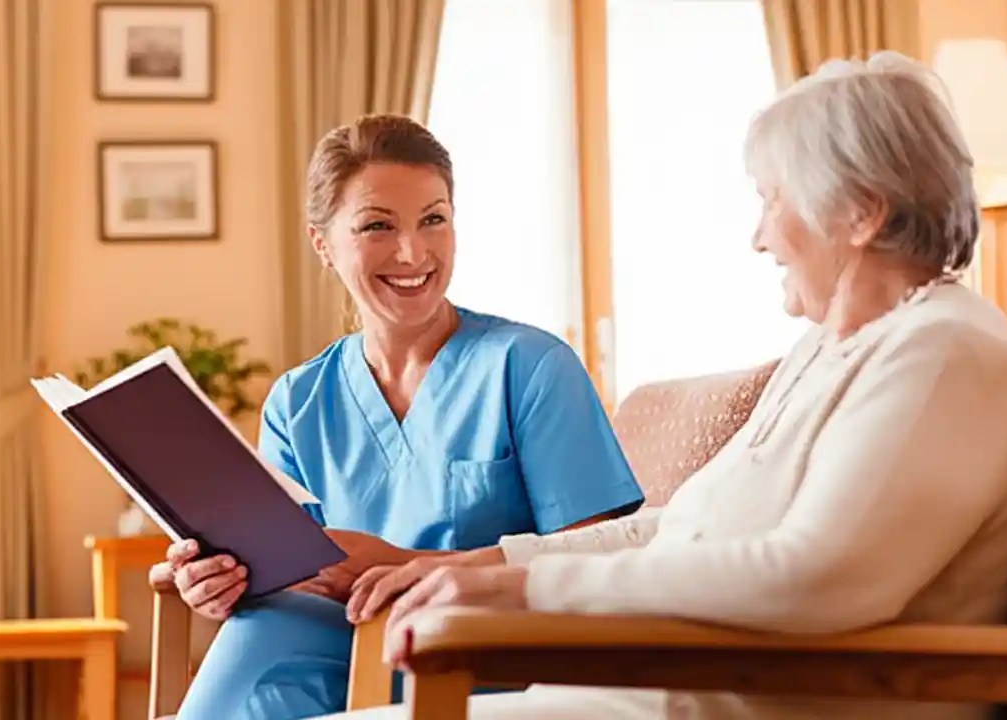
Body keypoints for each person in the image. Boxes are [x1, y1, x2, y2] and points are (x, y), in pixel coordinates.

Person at [328, 51, 1007, 720]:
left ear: (863, 212)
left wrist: (524, 589)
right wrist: (490, 563)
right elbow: (681, 525)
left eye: (773, 199)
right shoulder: (832, 350)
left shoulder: (946, 355)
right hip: (658, 694)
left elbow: (811, 579)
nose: (760, 236)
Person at [148, 114, 645, 719]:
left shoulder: (531, 366)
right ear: (322, 244)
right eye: (377, 226)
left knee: (269, 655)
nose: (413, 252)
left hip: (486, 652)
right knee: (265, 632)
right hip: (347, 654)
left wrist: (397, 564)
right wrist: (220, 585)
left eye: (433, 220)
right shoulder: (297, 400)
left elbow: (603, 563)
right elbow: (285, 576)